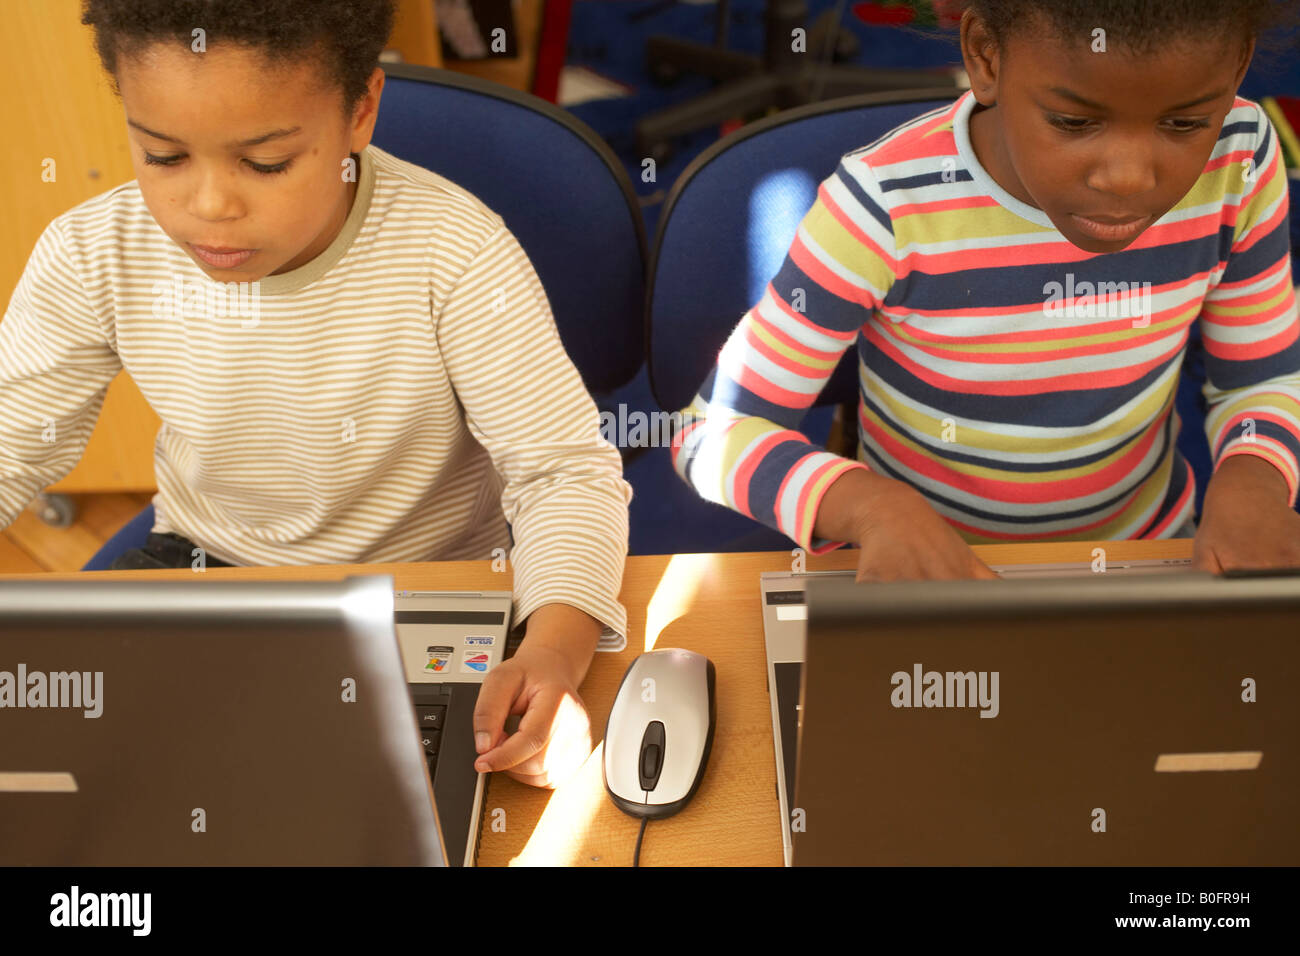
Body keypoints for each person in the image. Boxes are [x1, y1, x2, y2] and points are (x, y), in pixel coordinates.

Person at [0, 0, 630, 788]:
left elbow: (564, 474)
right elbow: (8, 437)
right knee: (87, 785)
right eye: (163, 156)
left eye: (264, 164)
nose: (209, 206)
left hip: (435, 583)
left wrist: (552, 652)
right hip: (207, 564)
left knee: (448, 796)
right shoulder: (94, 253)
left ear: (360, 109)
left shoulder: (455, 255)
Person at [672, 0, 1300, 581]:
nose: (1129, 178)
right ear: (985, 54)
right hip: (927, 577)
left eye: (1185, 122)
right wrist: (868, 509)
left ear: (1240, 62)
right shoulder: (889, 204)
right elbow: (711, 433)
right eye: (1074, 121)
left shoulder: (1238, 159)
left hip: (1149, 558)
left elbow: (1264, 379)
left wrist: (1257, 476)